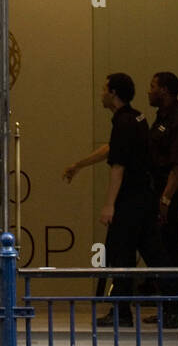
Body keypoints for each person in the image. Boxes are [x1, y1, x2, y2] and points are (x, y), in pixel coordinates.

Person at [63, 73, 164, 327]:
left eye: (104, 89)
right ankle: (174, 306)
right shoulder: (136, 118)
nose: (101, 93)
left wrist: (109, 205)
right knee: (151, 252)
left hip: (129, 201)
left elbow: (117, 168)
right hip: (144, 198)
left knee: (122, 255)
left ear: (114, 93)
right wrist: (80, 164)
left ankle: (122, 312)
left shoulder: (123, 122)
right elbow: (112, 148)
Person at [145, 71, 178, 326]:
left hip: (169, 189)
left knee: (166, 248)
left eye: (153, 86)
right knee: (162, 247)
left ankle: (176, 306)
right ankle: (172, 304)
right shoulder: (161, 118)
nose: (149, 91)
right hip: (159, 187)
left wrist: (165, 200)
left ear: (164, 90)